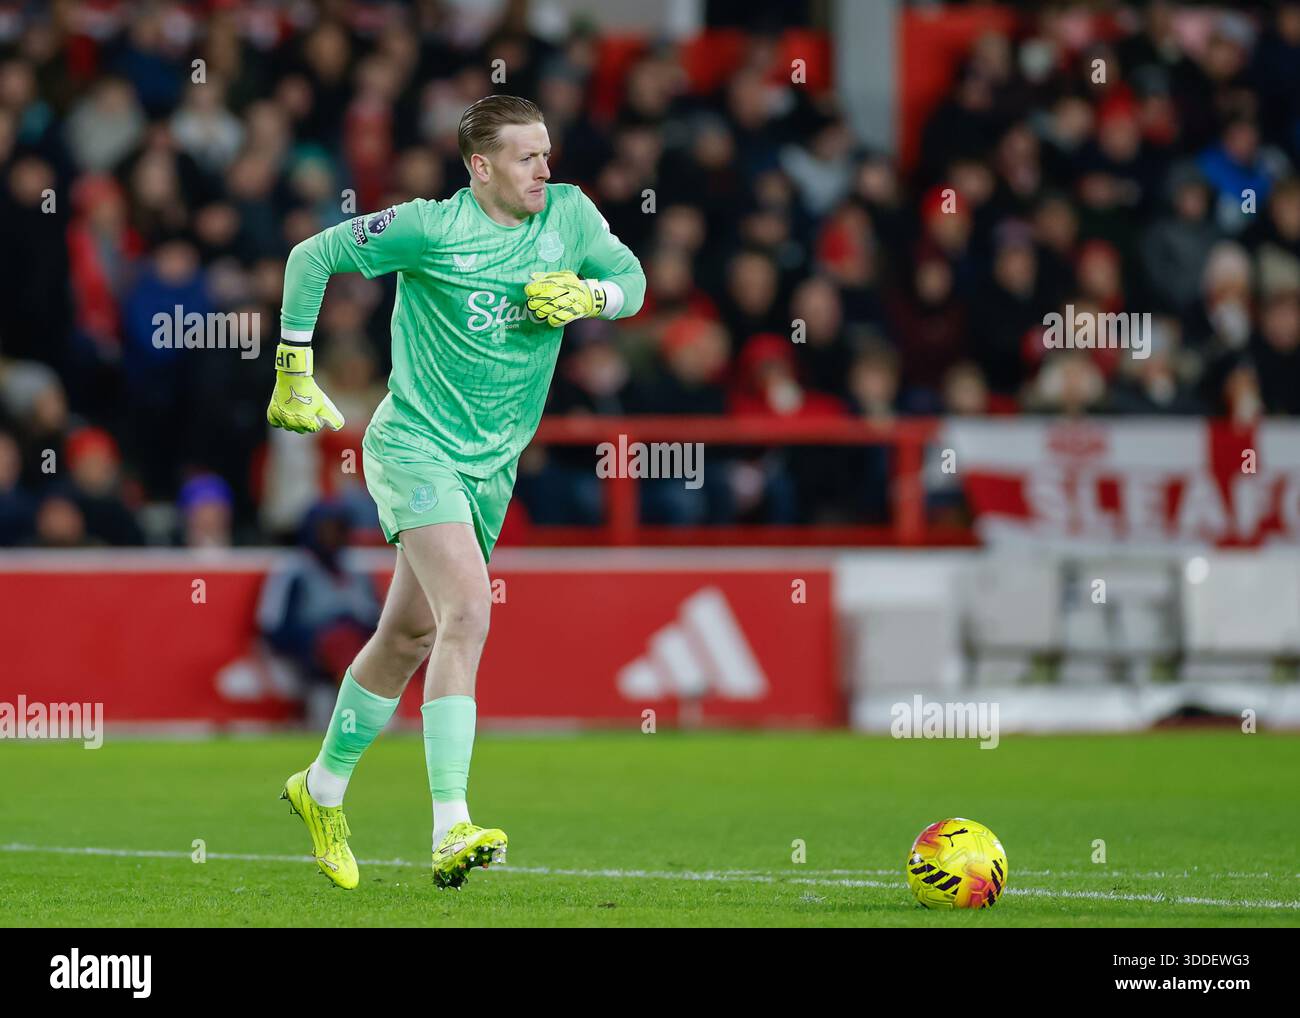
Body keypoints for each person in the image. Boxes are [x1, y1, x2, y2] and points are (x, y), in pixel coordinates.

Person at [267, 95, 645, 890]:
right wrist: (294, 366)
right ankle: (451, 825)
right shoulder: (430, 228)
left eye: (546, 153)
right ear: (480, 167)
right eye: (525, 157)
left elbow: (633, 279)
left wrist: (592, 298)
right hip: (414, 449)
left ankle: (321, 787)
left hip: (491, 469)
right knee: (469, 609)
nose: (544, 169)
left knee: (406, 638)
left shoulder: (570, 216)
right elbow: (310, 257)